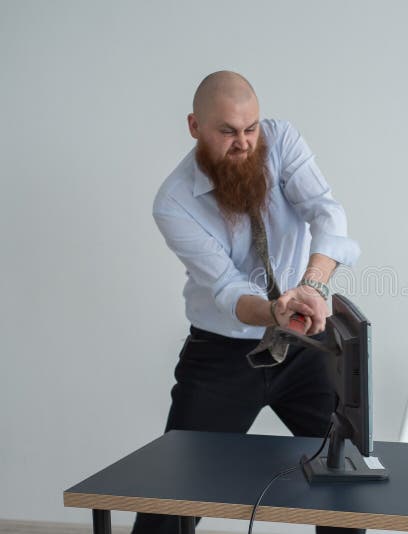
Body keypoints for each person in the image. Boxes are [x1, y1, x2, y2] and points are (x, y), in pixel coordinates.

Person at [131, 71, 363, 534]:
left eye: (250, 129)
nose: (243, 143)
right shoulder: (173, 202)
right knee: (171, 497)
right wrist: (275, 310)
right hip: (222, 355)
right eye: (228, 132)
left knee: (345, 477)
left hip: (304, 346)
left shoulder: (281, 140)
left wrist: (312, 287)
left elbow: (326, 212)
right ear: (195, 126)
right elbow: (226, 288)